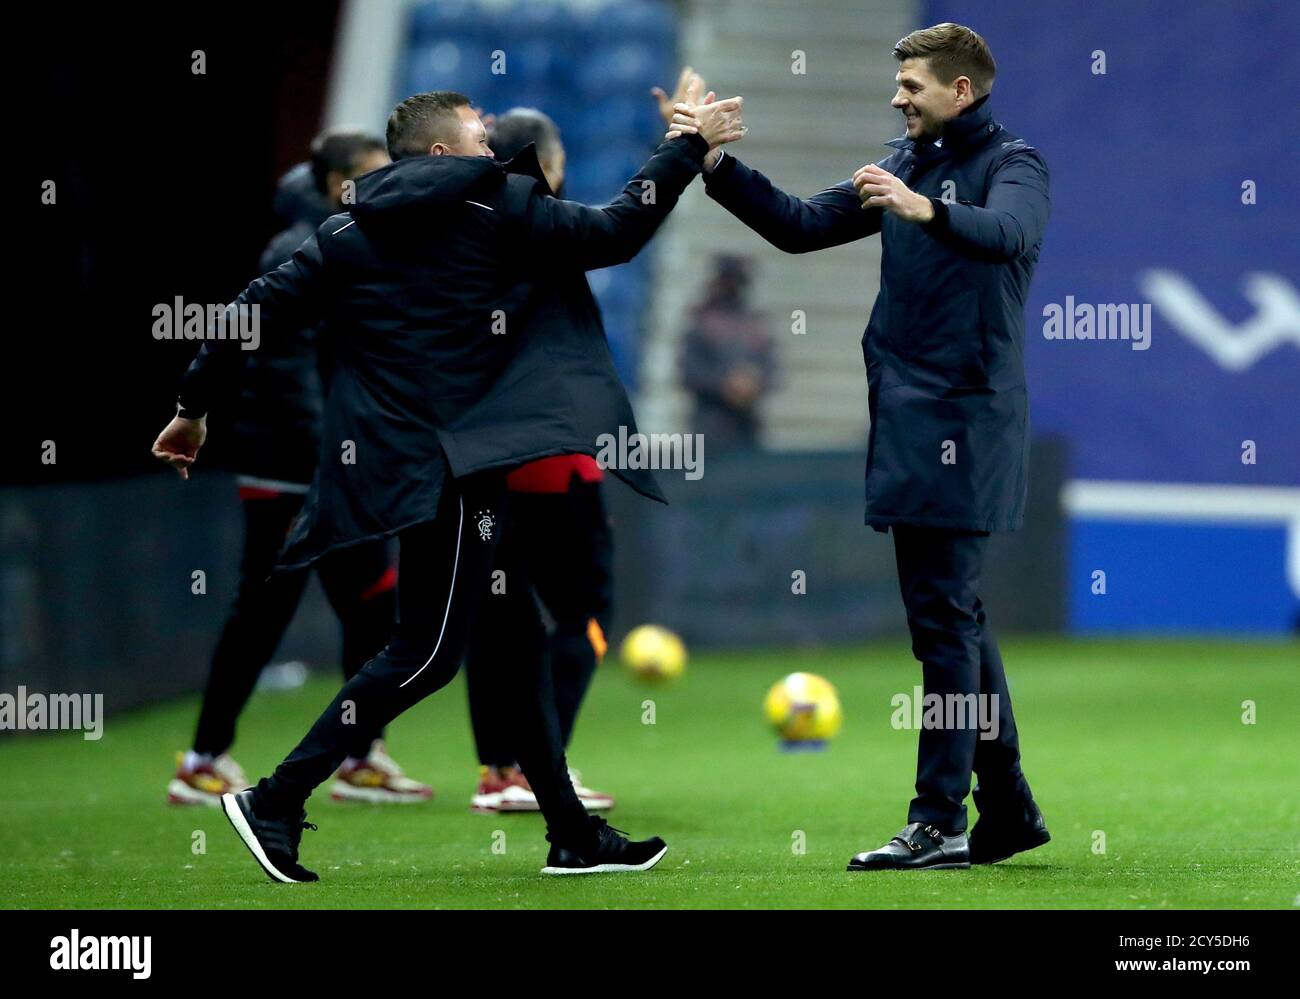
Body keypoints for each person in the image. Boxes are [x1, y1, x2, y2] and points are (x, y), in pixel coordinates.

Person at [152, 90, 745, 881]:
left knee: (520, 641)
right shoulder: (497, 208)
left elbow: (248, 310)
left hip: (413, 466)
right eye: (477, 138)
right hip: (459, 472)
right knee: (427, 651)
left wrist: (192, 407)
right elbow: (616, 230)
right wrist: (682, 149)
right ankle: (276, 798)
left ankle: (571, 834)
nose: (492, 147)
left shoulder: (345, 232)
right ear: (439, 155)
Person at [673, 22, 1051, 871]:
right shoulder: (902, 163)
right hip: (908, 419)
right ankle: (1010, 806)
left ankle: (939, 819)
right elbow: (801, 225)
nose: (897, 97)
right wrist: (713, 164)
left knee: (946, 622)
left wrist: (928, 209)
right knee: (955, 618)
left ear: (963, 90)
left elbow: (1011, 235)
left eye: (912, 85)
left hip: (966, 420)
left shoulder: (1013, 165)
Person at [169, 129, 433, 808]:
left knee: (370, 603)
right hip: (295, 467)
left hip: (320, 464)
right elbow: (286, 373)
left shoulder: (343, 238)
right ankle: (204, 759)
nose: (387, 185)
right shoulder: (306, 250)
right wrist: (335, 459)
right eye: (374, 175)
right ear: (337, 183)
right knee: (266, 612)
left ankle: (356, 753)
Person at [462, 108, 616, 815]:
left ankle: (499, 768)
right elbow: (621, 229)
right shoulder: (546, 226)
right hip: (555, 462)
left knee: (499, 619)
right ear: (550, 165)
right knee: (583, 619)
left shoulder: (461, 228)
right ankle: (537, 765)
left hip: (483, 462)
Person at [678, 254, 776, 450]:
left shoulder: (754, 325)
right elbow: (689, 372)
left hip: (747, 427)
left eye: (736, 280)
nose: (732, 286)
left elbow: (772, 370)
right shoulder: (701, 323)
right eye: (728, 279)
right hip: (709, 426)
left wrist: (752, 383)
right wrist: (725, 385)